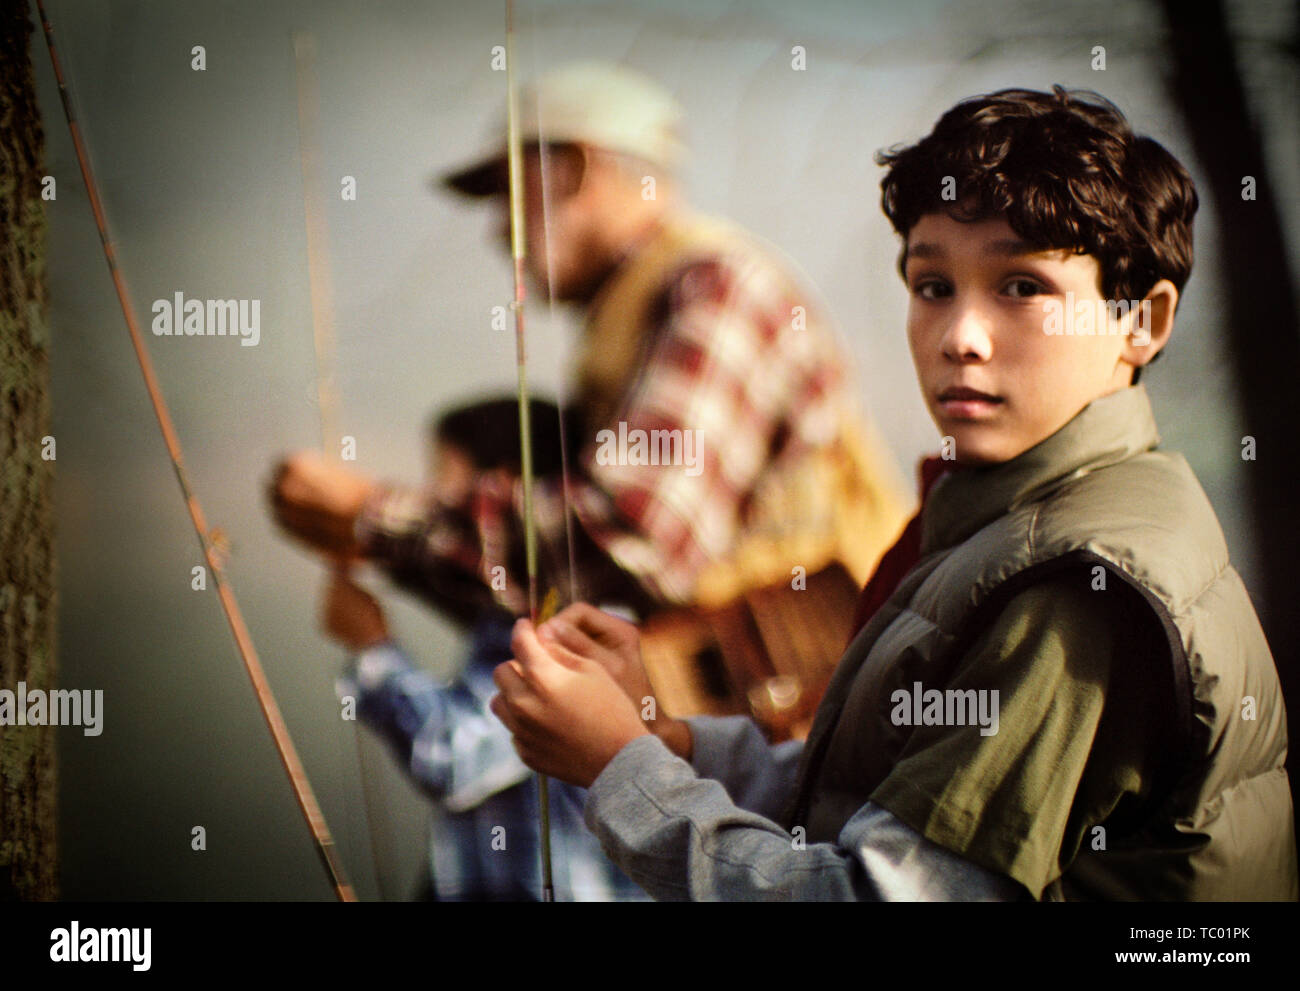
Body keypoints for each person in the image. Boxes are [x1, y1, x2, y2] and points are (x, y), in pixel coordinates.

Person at [489, 86, 1298, 901]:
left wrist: (618, 770)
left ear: (1143, 322)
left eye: (1022, 287)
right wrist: (668, 739)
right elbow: (878, 787)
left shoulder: (1072, 585)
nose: (960, 337)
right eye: (932, 285)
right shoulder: (1011, 514)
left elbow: (867, 894)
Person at [270, 61, 911, 735]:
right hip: (771, 743)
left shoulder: (719, 287)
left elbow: (636, 539)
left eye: (507, 192)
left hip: (838, 740)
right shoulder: (642, 311)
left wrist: (377, 518)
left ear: (574, 169)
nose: (498, 230)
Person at [323, 398, 643, 901]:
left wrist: (372, 646)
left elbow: (453, 758)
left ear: (502, 489)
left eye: (445, 480)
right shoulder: (546, 609)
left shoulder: (567, 620)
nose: (432, 498)